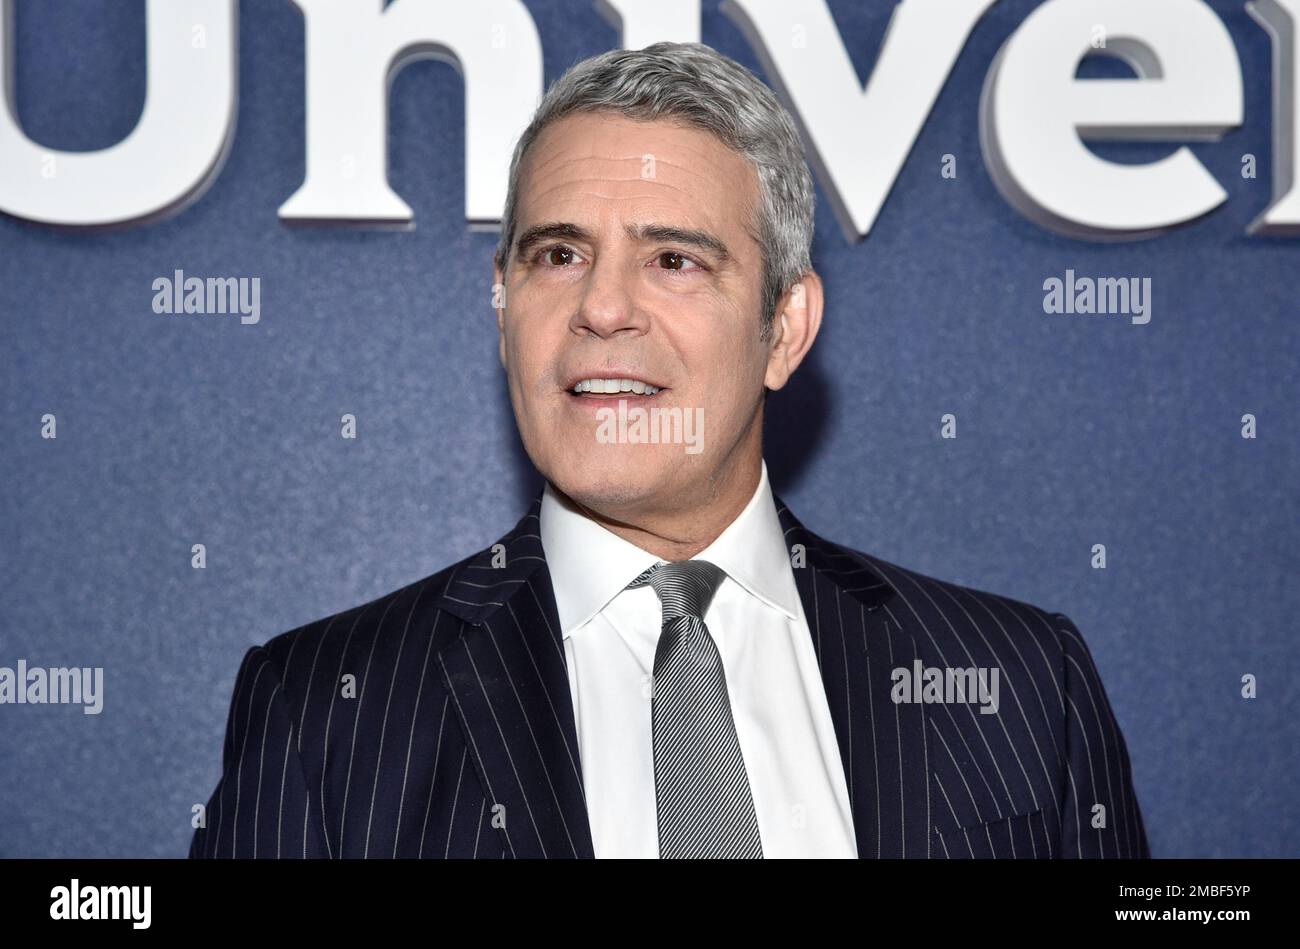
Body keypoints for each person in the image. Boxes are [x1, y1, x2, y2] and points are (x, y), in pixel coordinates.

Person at [190, 41, 1148, 860]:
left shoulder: (1022, 683)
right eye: (557, 254)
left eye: (673, 259)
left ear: (785, 326)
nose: (601, 308)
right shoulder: (327, 711)